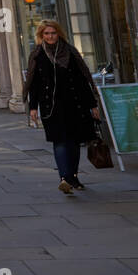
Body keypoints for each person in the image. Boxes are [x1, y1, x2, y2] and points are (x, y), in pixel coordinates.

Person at [25, 20, 101, 194]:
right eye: (46, 33)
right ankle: (64, 178)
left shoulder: (70, 52)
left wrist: (92, 104)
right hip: (51, 106)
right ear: (41, 36)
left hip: (75, 103)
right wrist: (33, 107)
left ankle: (73, 176)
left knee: (74, 142)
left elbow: (82, 80)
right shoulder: (37, 55)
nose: (50, 36)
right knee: (59, 142)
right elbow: (34, 83)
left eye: (53, 33)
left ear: (58, 33)